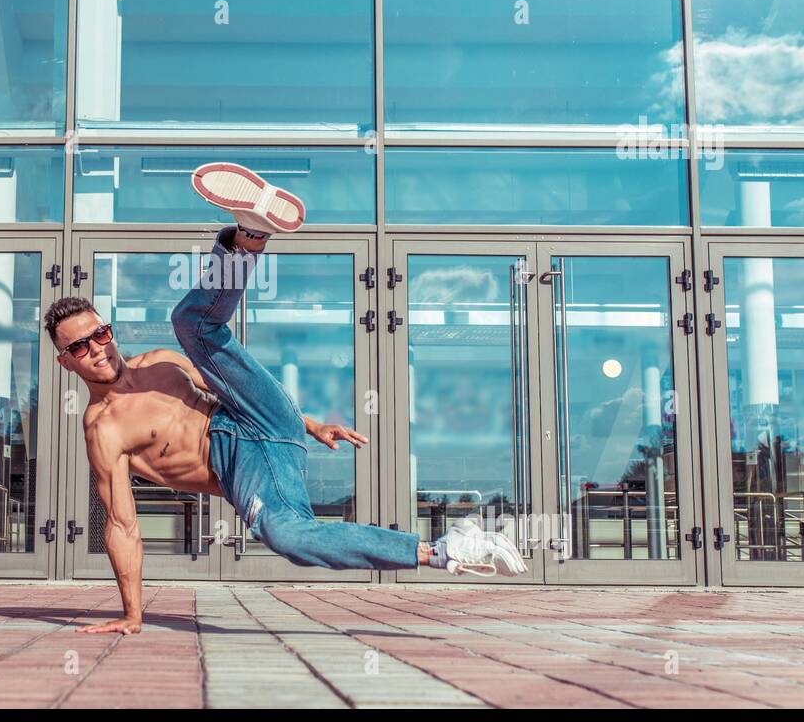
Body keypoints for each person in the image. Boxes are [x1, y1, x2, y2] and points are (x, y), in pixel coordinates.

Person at [48, 162, 526, 635]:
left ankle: (249, 236)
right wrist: (133, 613)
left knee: (193, 325)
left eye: (100, 333)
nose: (97, 348)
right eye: (79, 346)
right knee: (290, 536)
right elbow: (122, 525)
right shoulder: (103, 429)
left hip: (259, 415)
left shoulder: (160, 361)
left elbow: (232, 383)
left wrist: (309, 423)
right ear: (65, 362)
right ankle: (444, 551)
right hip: (242, 464)